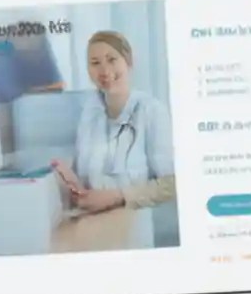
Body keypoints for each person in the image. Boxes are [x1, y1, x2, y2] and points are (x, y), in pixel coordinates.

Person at [52, 30, 175, 215]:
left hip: (140, 221)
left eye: (112, 59)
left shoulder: (152, 111)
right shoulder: (89, 113)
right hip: (95, 221)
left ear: (128, 61)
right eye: (95, 63)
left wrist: (118, 196)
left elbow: (172, 184)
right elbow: (85, 179)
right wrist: (70, 181)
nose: (104, 70)